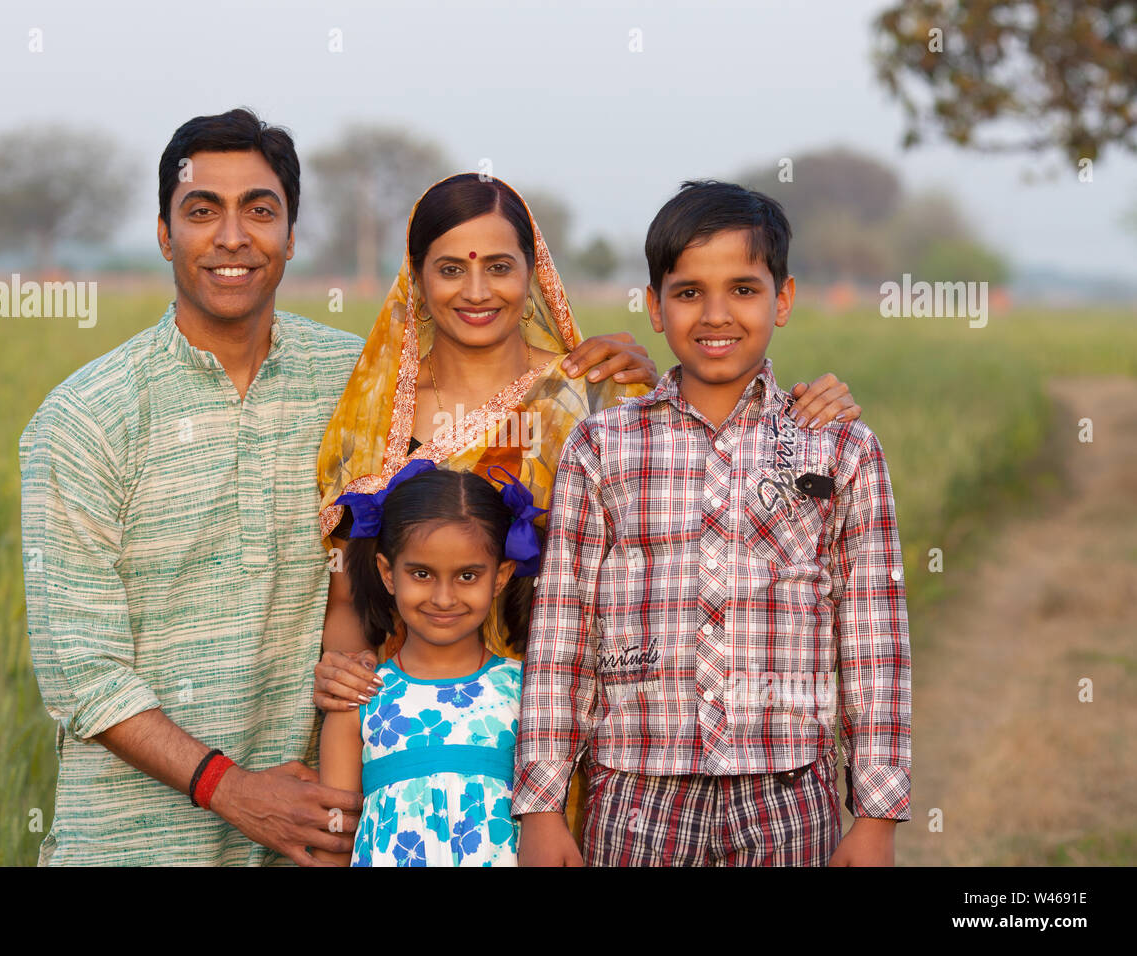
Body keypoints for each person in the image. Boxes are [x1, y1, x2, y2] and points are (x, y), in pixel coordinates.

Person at [312, 173, 865, 843]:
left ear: (534, 272)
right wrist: (350, 681)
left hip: (566, 731)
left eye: (500, 267)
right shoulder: (375, 412)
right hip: (407, 726)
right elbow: (347, 600)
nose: (477, 290)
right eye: (451, 269)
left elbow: (712, 433)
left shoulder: (594, 393)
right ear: (417, 279)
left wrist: (809, 409)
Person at [513, 180, 911, 866]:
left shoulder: (839, 447)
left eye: (744, 289)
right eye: (689, 291)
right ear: (655, 307)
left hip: (788, 791)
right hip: (638, 793)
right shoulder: (603, 446)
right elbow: (563, 631)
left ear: (782, 300)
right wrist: (543, 804)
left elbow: (873, 635)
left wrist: (877, 812)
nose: (716, 313)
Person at [19, 108, 373, 865]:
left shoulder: (353, 383)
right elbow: (83, 672)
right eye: (202, 211)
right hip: (127, 847)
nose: (233, 237)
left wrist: (592, 367)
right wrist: (234, 791)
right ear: (163, 232)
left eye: (260, 210)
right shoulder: (87, 416)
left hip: (309, 841)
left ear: (290, 233)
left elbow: (485, 400)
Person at [314, 464, 537, 866]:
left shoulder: (528, 692)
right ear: (388, 573)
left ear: (500, 577)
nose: (444, 598)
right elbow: (334, 837)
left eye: (468, 575)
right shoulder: (360, 698)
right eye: (422, 573)